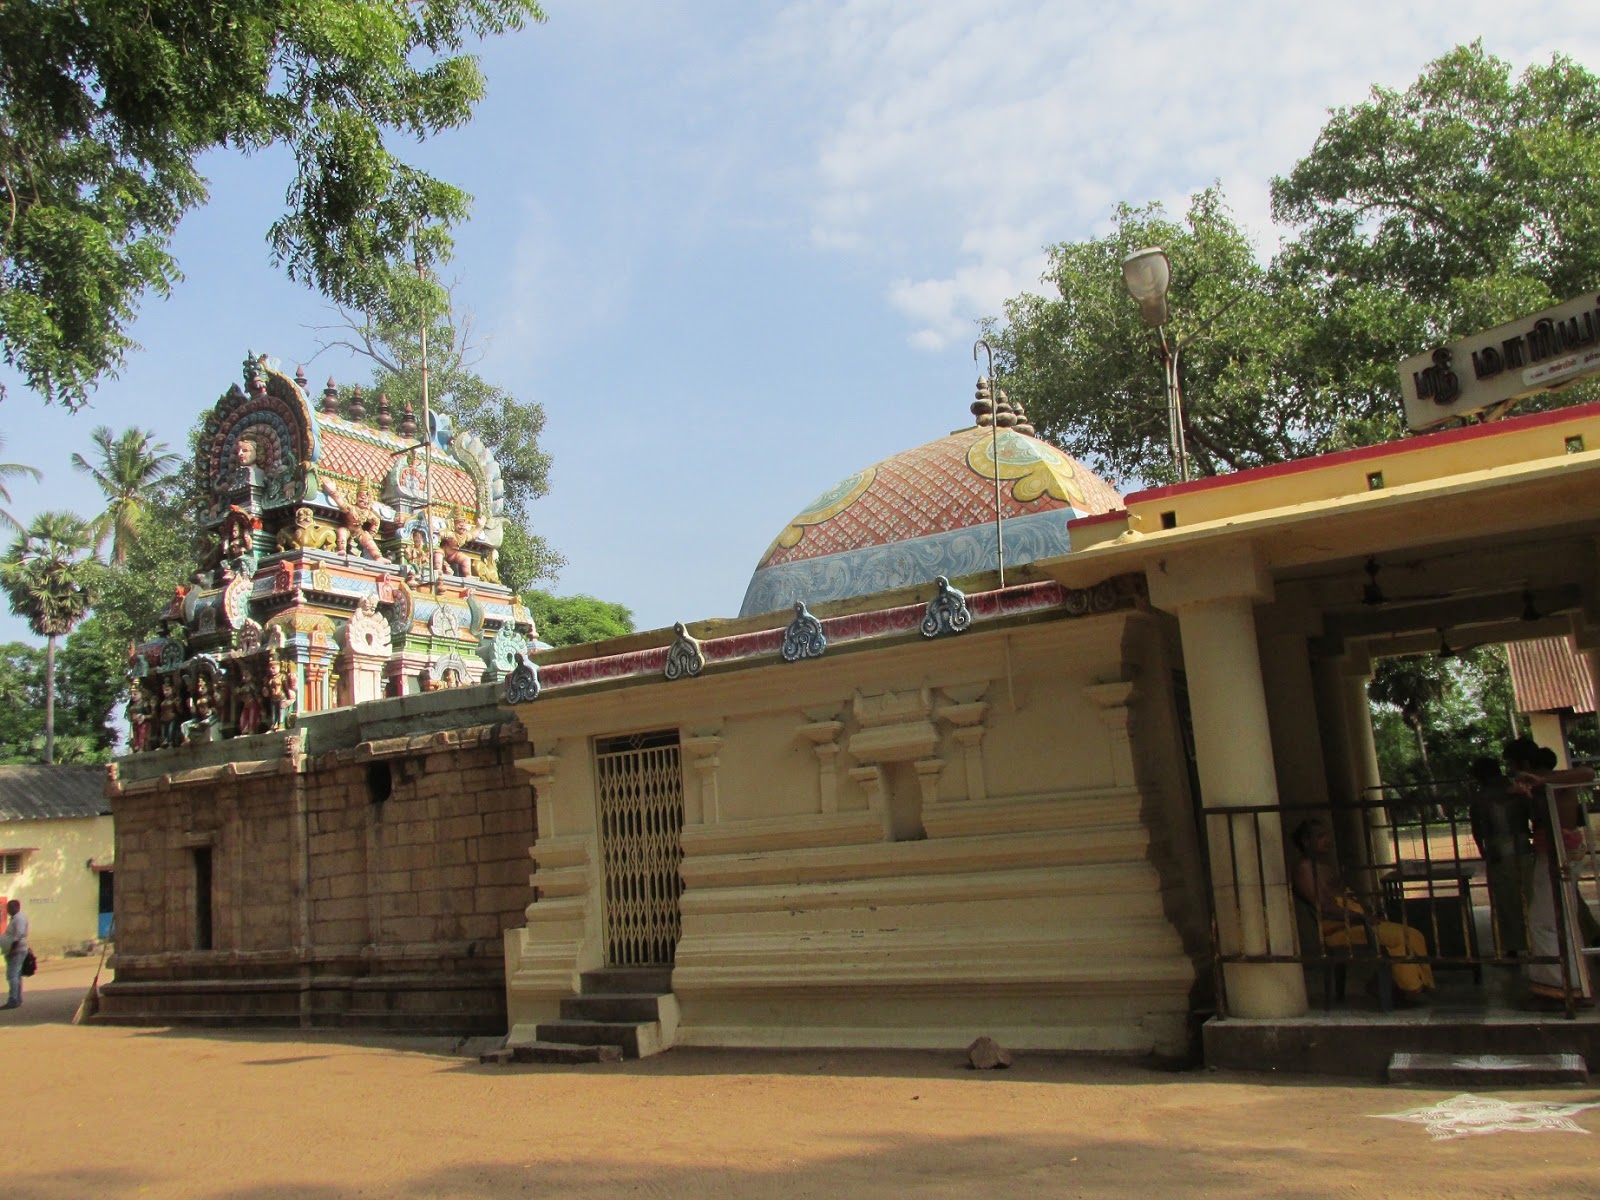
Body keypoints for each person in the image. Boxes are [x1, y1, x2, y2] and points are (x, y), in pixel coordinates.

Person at [1292, 817, 1435, 1003]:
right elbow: (1324, 906)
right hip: (1339, 927)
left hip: (1354, 920)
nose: (1327, 840)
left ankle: (1411, 984)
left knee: (1413, 934)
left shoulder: (1325, 867)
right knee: (1399, 938)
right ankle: (1409, 988)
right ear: (1305, 841)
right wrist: (1359, 916)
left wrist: (1364, 911)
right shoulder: (1304, 869)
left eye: (1327, 835)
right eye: (1320, 836)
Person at [1507, 739, 1597, 1004]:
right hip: (1554, 850)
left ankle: (1563, 987)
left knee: (1546, 921)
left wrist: (1540, 781)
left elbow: (1589, 773)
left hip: (1561, 851)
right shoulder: (1534, 785)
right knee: (1555, 917)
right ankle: (1564, 984)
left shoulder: (1552, 781)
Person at [1467, 755, 1534, 955]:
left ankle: (1512, 947)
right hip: (1523, 849)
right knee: (1531, 898)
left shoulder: (1482, 797)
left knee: (1505, 903)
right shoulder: (1517, 790)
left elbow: (1477, 828)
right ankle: (1537, 943)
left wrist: (1484, 850)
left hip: (1498, 852)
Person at [2, 899, 30, 1008]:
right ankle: (17, 998)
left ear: (16, 907)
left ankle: (13, 999)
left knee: (12, 975)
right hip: (16, 950)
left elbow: (18, 936)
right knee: (16, 976)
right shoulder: (16, 918)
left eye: (9, 908)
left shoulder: (19, 919)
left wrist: (11, 950)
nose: (8, 910)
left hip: (17, 951)